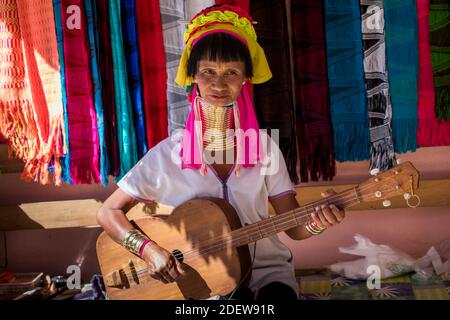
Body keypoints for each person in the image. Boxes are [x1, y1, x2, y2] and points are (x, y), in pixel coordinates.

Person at [96, 5, 345, 300]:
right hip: (202, 284)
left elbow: (293, 227)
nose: (218, 83)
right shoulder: (168, 154)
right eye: (208, 72)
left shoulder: (264, 147)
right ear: (193, 77)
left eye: (231, 72)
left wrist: (319, 222)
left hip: (267, 276)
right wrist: (149, 250)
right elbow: (108, 212)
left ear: (245, 79)